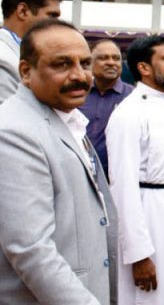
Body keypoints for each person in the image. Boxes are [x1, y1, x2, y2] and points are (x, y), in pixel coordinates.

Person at [0, 19, 116, 304]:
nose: (79, 76)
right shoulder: (15, 132)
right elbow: (31, 249)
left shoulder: (65, 118)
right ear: (26, 71)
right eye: (62, 64)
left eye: (85, 64)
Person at [106, 35, 164, 304]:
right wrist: (138, 254)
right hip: (148, 218)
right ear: (144, 68)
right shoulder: (128, 113)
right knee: (150, 296)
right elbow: (122, 188)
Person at [0, 0, 62, 104]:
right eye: (51, 15)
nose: (56, 24)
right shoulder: (4, 60)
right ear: (22, 11)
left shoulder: (24, 52)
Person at [80, 39, 134, 180]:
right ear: (90, 62)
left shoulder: (133, 98)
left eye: (116, 58)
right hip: (79, 173)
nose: (111, 62)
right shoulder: (77, 92)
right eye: (103, 58)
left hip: (118, 178)